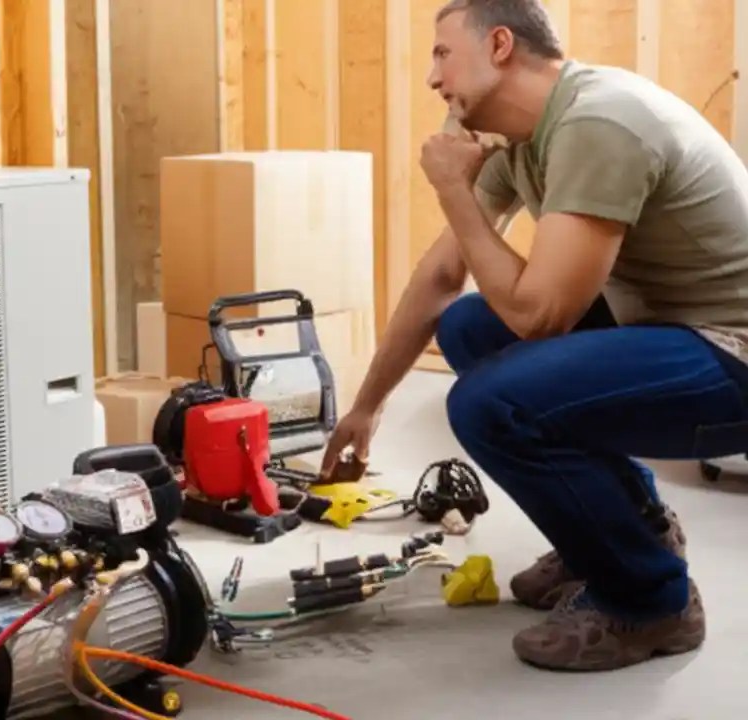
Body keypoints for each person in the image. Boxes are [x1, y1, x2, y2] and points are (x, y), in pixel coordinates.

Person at [319, 0, 748, 671]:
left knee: (492, 403)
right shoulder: (518, 137)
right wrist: (367, 406)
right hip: (668, 328)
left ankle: (649, 601)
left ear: (499, 45)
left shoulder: (600, 122)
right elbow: (442, 276)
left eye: (442, 54)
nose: (432, 78)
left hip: (732, 354)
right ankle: (631, 530)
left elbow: (541, 314)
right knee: (470, 326)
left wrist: (454, 192)